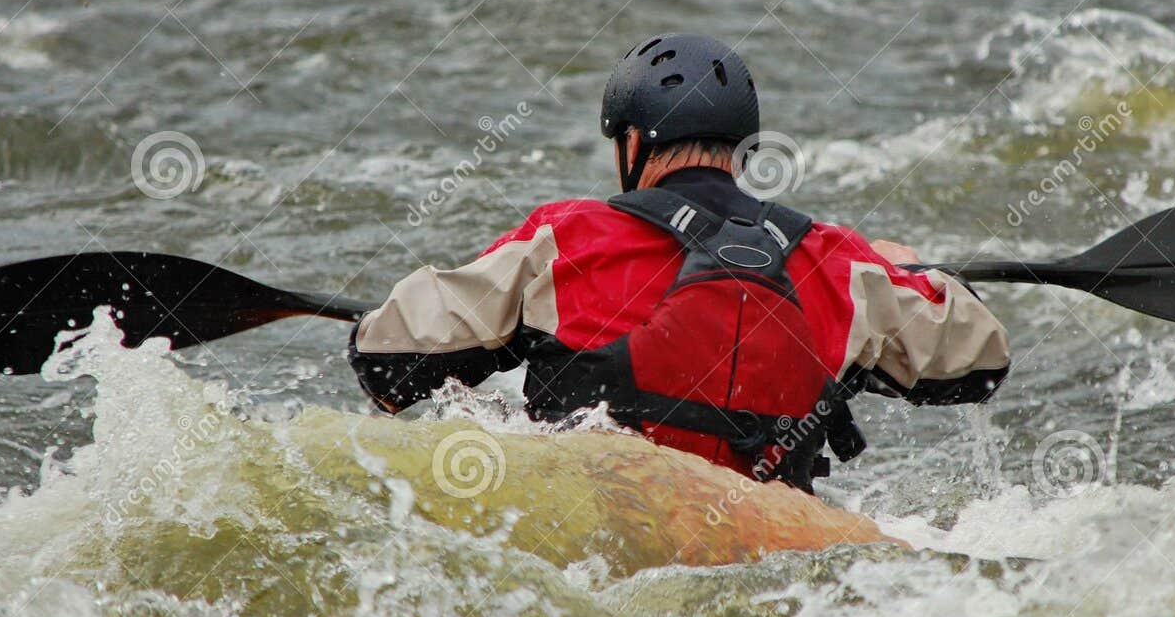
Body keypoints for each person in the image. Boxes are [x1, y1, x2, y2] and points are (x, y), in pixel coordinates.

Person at [350, 34, 1009, 490]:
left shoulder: (567, 237)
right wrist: (909, 272)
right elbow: (978, 364)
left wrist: (497, 338)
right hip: (773, 560)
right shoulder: (838, 263)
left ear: (634, 141)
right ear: (743, 150)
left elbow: (387, 357)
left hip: (603, 546)